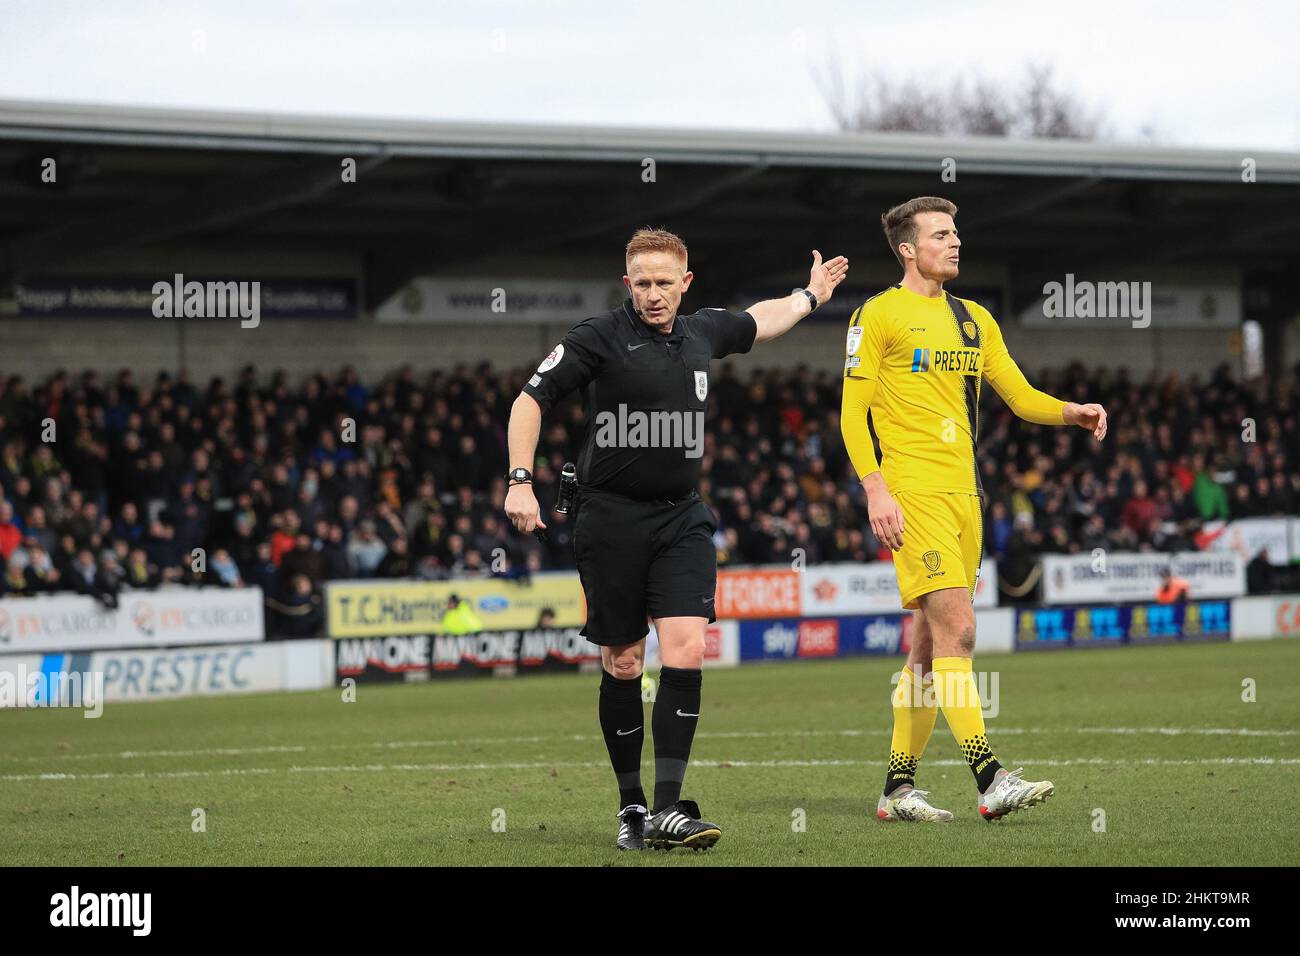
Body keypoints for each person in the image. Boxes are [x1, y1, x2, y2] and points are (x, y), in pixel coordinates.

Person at [504, 227, 848, 851]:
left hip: (682, 518)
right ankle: (631, 807)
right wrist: (520, 479)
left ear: (685, 283)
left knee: (686, 646)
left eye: (666, 283)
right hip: (609, 519)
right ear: (626, 283)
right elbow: (531, 399)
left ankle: (668, 808)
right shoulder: (596, 338)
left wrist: (811, 295)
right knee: (625, 661)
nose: (654, 294)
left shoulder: (701, 331)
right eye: (643, 283)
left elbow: (758, 322)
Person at [839, 196, 1108, 823]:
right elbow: (853, 412)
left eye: (956, 232)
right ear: (908, 249)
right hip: (914, 495)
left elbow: (1016, 394)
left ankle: (896, 789)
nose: (954, 243)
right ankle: (989, 778)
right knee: (959, 629)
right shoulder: (875, 316)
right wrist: (876, 488)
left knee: (927, 650)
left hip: (967, 498)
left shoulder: (974, 319)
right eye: (940, 234)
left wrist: (1072, 411)